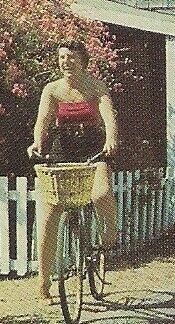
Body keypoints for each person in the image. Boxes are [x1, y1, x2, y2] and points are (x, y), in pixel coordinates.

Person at [27, 40, 118, 303]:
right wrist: (37, 144)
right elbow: (42, 123)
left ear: (83, 61)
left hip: (92, 148)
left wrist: (111, 138)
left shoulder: (96, 87)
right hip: (62, 150)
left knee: (101, 194)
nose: (66, 62)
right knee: (49, 215)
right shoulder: (52, 90)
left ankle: (108, 241)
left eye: (71, 57)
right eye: (62, 57)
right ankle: (43, 284)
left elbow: (109, 118)